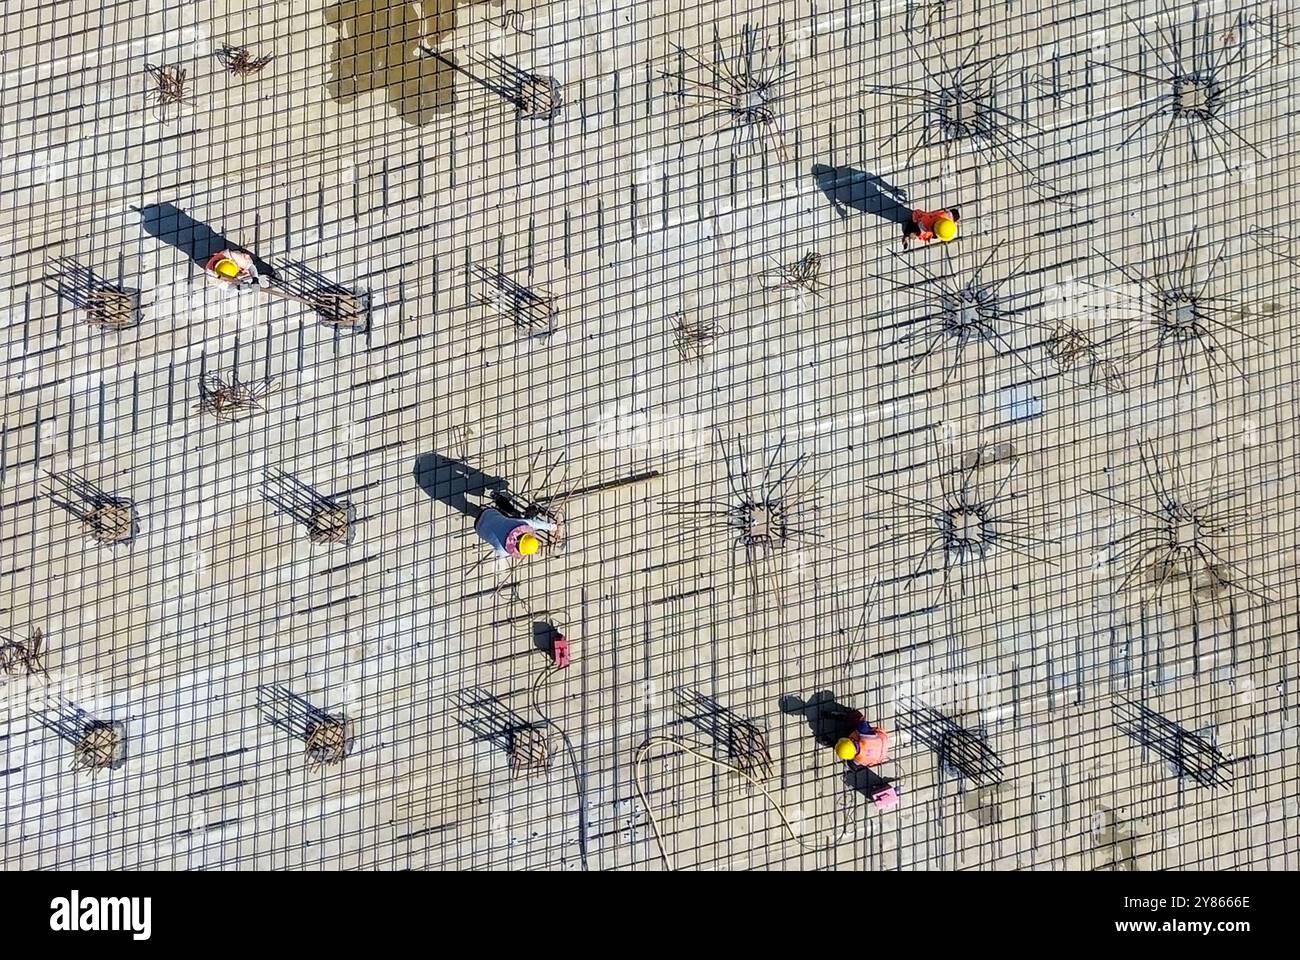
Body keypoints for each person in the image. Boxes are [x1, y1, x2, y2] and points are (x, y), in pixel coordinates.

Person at [474, 505, 556, 558]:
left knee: (508, 518)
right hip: (478, 528)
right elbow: (499, 553)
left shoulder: (517, 523)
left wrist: (551, 527)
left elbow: (534, 523)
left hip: (489, 513)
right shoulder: (503, 551)